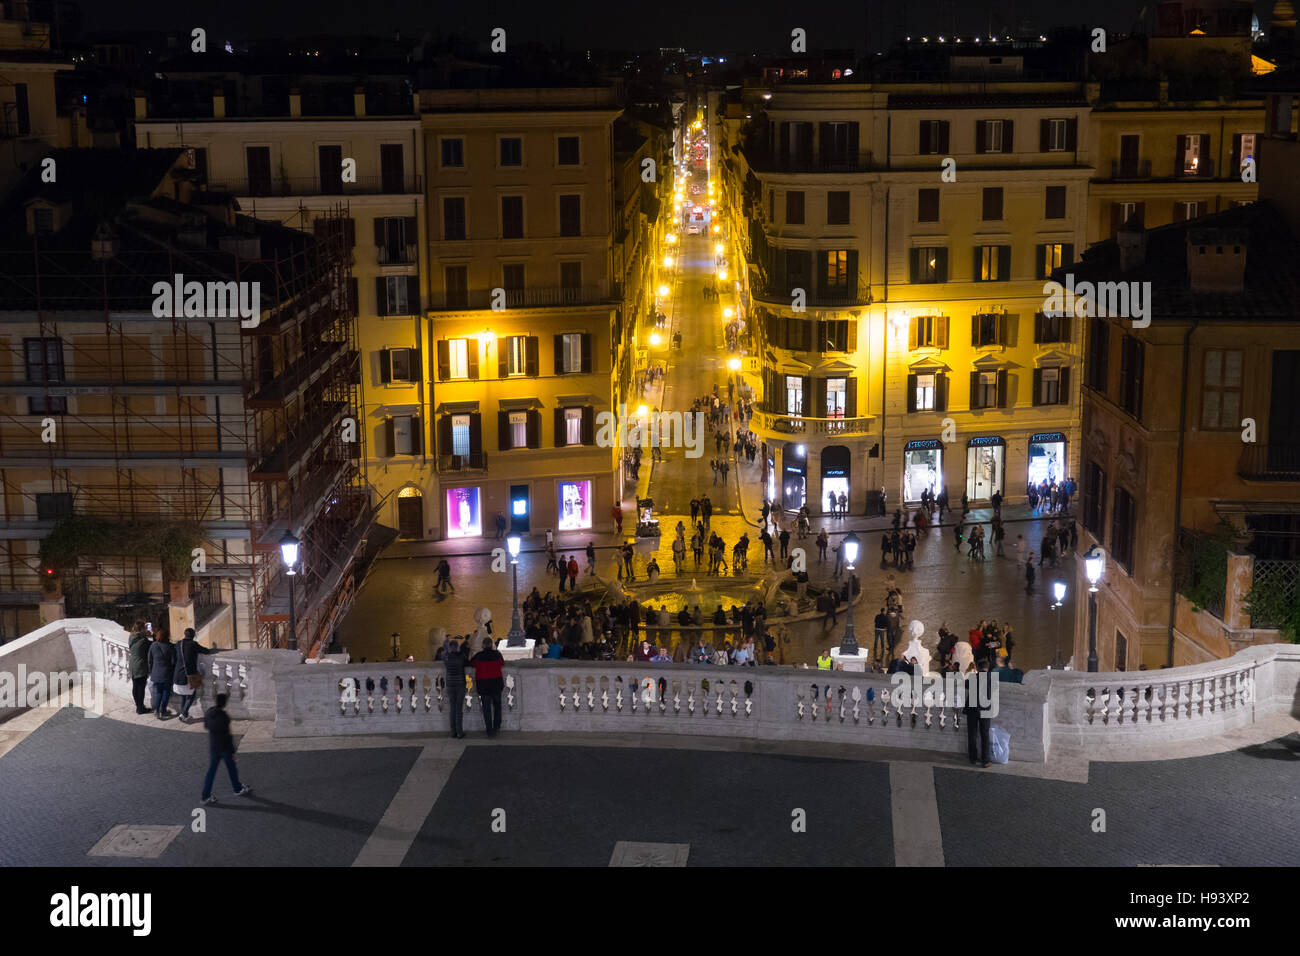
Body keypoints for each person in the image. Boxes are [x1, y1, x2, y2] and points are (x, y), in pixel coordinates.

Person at [200, 693, 251, 804]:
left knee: (211, 772)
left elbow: (206, 726)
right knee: (232, 769)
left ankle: (205, 796)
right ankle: (237, 788)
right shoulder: (224, 716)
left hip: (214, 747)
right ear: (224, 703)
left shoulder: (209, 712)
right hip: (225, 749)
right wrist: (233, 751)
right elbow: (227, 736)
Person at [173, 626, 214, 723]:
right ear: (193, 636)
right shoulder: (193, 644)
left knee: (183, 695)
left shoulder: (178, 644)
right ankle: (183, 714)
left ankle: (184, 714)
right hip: (188, 675)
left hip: (178, 673)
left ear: (185, 634)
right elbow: (206, 651)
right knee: (191, 695)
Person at [471, 637, 505, 737]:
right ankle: (497, 726)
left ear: (483, 645)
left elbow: (471, 663)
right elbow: (502, 663)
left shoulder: (479, 656)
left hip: (484, 685)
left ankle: (489, 730)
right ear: (492, 645)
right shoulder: (497, 654)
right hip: (496, 684)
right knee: (497, 706)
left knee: (486, 709)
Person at [965, 661, 995, 767]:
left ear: (977, 668)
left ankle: (973, 758)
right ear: (988, 668)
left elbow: (965, 684)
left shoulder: (973, 678)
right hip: (985, 708)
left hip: (972, 709)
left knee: (972, 734)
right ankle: (985, 760)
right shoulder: (992, 678)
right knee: (985, 734)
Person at [443, 638, 469, 738]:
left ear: (450, 647)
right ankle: (459, 732)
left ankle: (453, 731)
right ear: (457, 647)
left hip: (450, 684)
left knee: (452, 709)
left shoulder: (446, 657)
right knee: (459, 709)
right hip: (460, 684)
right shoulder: (461, 656)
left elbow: (444, 653)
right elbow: (467, 661)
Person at [148, 629, 177, 719]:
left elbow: (149, 660)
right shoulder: (170, 647)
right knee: (166, 692)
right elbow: (173, 661)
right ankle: (163, 711)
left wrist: (151, 671)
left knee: (159, 692)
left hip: (156, 673)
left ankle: (156, 710)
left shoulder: (153, 645)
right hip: (167, 673)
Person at [128, 619, 151, 714]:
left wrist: (145, 633)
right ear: (142, 629)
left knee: (135, 686)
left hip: (132, 664)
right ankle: (140, 708)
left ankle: (138, 706)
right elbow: (153, 644)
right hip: (140, 666)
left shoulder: (131, 637)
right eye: (145, 628)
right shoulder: (144, 641)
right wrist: (151, 634)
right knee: (141, 687)